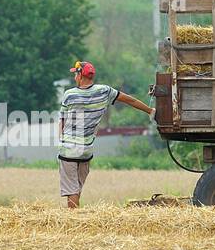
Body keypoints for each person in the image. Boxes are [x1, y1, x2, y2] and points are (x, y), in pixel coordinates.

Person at [58, 60, 154, 208]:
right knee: (76, 188)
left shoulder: (69, 95)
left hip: (68, 149)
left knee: (72, 189)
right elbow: (130, 100)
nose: (74, 77)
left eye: (75, 74)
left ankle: (72, 222)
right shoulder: (104, 91)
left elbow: (62, 121)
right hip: (86, 150)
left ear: (80, 76)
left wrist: (61, 140)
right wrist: (150, 111)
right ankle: (75, 218)